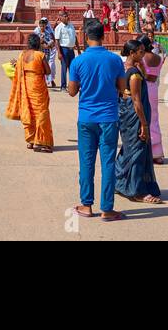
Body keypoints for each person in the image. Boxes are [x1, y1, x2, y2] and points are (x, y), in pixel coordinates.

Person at [67, 19, 127, 222]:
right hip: (109, 116)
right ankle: (107, 208)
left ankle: (86, 205)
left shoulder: (78, 61)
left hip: (86, 117)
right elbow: (122, 87)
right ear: (104, 36)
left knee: (86, 162)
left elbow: (72, 91)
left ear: (85, 36)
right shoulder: (115, 60)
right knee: (108, 162)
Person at [116, 40, 161, 203]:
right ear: (131, 53)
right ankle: (137, 191)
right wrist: (145, 125)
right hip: (135, 118)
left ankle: (120, 182)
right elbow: (137, 101)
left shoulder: (126, 69)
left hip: (125, 115)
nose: (144, 54)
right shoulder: (133, 74)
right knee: (137, 152)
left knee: (129, 150)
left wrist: (141, 64)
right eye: (140, 52)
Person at [141, 37, 165, 163]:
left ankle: (145, 151)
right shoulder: (158, 58)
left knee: (143, 119)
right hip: (154, 88)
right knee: (154, 118)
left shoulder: (142, 58)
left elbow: (143, 74)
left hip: (144, 88)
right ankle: (157, 153)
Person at [54, 15, 77, 91]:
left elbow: (75, 37)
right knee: (64, 68)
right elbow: (57, 40)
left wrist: (79, 50)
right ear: (61, 18)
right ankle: (63, 86)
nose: (67, 18)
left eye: (67, 16)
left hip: (71, 50)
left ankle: (72, 86)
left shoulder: (71, 26)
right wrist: (59, 52)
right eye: (65, 16)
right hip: (64, 49)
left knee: (72, 68)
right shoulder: (59, 27)